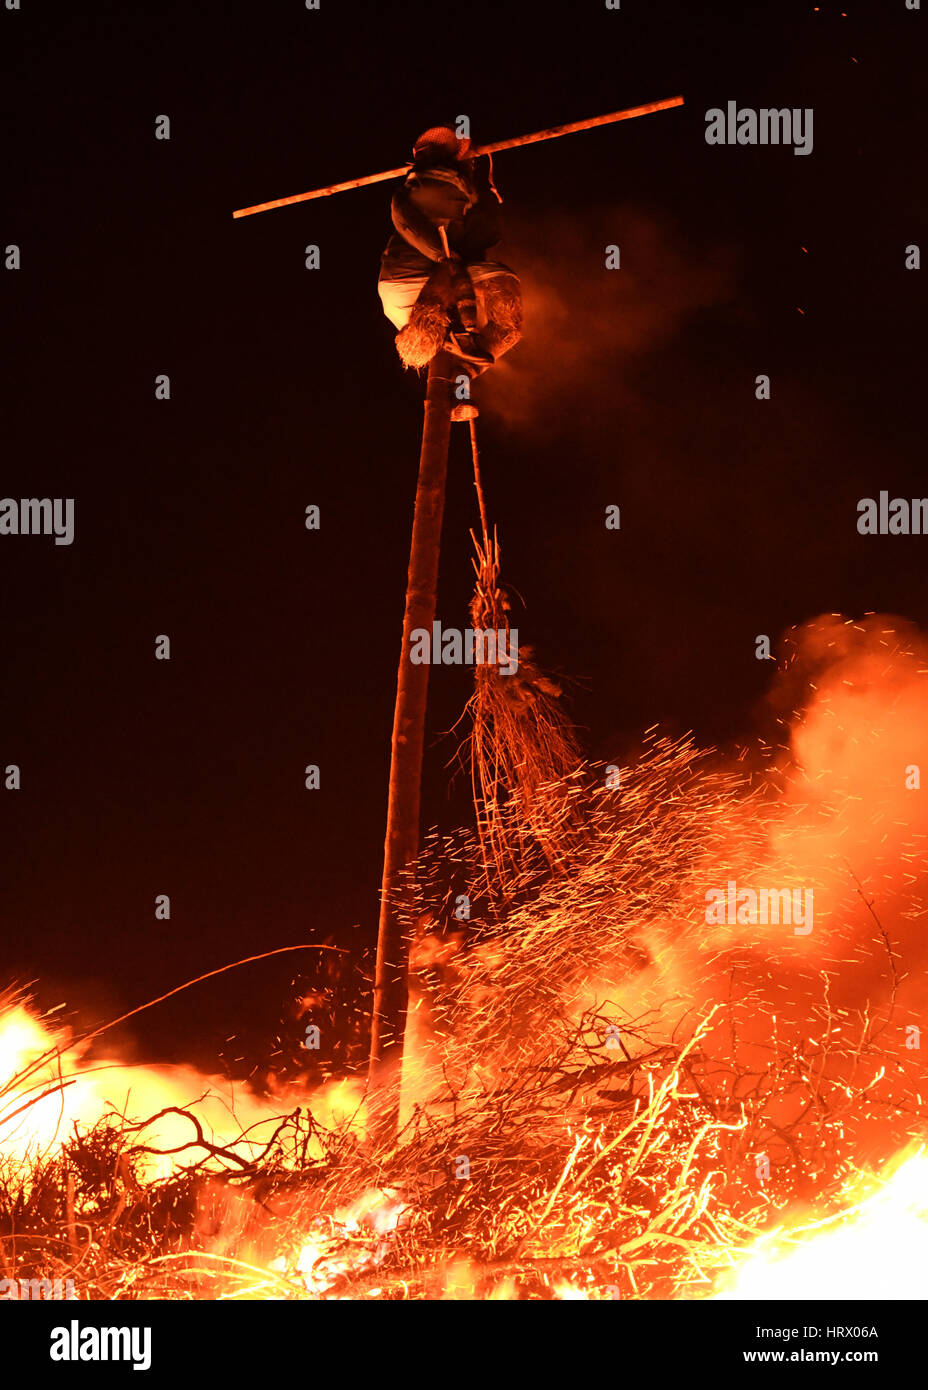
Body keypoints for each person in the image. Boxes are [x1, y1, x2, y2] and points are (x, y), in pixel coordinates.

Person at [378, 127, 522, 385]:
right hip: (410, 281)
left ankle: (464, 373)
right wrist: (441, 256)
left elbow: (482, 237)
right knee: (491, 287)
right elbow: (404, 219)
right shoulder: (416, 190)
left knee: (506, 314)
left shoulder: (464, 199)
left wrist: (486, 198)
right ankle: (457, 360)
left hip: (429, 290)